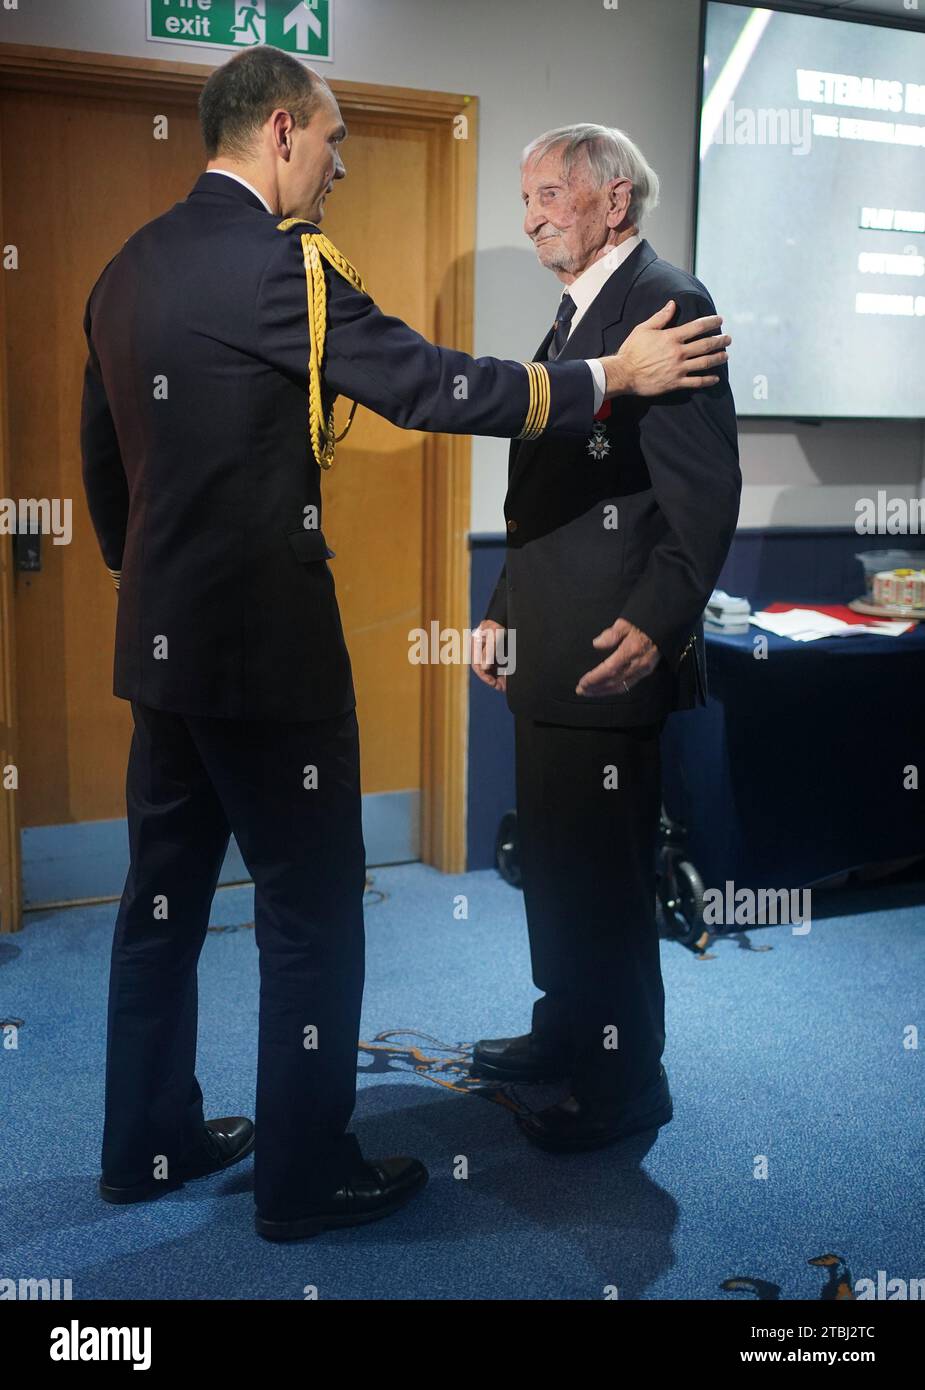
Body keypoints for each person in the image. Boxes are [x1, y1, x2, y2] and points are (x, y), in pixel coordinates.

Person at [80, 50, 731, 1240]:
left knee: (159, 903)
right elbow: (432, 386)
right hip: (268, 662)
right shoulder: (283, 265)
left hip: (162, 655)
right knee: (311, 916)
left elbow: (103, 462)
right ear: (283, 130)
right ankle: (303, 1177)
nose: (338, 168)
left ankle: (145, 1143)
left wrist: (146, 582)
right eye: (333, 142)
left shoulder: (126, 267)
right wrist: (606, 375)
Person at [471, 124, 742, 1151]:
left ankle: (626, 1086)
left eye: (548, 195)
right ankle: (566, 1033)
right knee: (555, 867)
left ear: (614, 199)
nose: (531, 217)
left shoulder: (668, 303)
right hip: (547, 646)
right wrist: (502, 609)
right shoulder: (578, 313)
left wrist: (661, 622)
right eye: (526, 199)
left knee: (605, 885)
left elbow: (703, 492)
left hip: (611, 654)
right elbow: (548, 493)